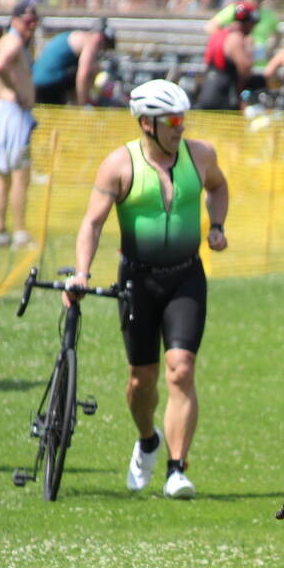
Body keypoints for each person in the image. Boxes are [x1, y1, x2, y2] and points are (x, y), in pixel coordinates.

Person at [66, 80, 229, 499]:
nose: (180, 127)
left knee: (182, 369)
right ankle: (148, 439)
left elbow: (218, 186)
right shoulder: (120, 164)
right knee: (142, 381)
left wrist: (218, 226)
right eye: (172, 121)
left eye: (182, 119)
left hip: (186, 276)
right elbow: (92, 223)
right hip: (137, 281)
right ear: (146, 124)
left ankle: (177, 468)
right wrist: (81, 273)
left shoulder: (200, 154)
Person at [0, 0, 40, 249]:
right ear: (16, 20)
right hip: (14, 113)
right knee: (19, 175)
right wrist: (14, 92)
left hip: (6, 109)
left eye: (34, 21)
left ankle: (0, 231)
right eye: (27, 21)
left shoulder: (7, 40)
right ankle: (18, 233)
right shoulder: (14, 41)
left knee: (4, 177)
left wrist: (2, 91)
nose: (32, 26)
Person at [32, 18, 117, 106]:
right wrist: (81, 105)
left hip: (35, 82)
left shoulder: (76, 36)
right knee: (92, 68)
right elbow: (83, 75)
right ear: (101, 39)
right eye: (105, 47)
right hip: (48, 83)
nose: (101, 51)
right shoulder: (92, 41)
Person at [204, 0, 281, 76]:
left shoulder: (268, 15)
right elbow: (210, 27)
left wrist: (269, 50)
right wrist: (230, 42)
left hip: (259, 63)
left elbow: (278, 35)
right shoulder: (237, 10)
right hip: (237, 64)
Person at [195, 2, 257, 110]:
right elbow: (245, 70)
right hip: (223, 96)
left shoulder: (220, 34)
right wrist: (249, 50)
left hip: (207, 90)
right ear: (248, 23)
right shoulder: (236, 38)